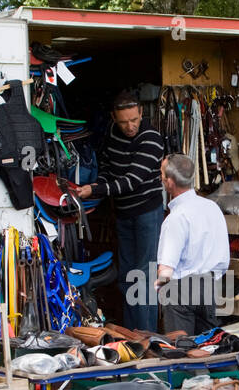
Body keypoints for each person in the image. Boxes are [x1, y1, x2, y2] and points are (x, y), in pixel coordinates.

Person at [76, 91, 165, 332]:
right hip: (124, 213)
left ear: (141, 113)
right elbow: (107, 169)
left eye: (134, 120)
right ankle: (130, 333)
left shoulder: (151, 139)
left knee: (144, 277)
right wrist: (96, 185)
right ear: (114, 118)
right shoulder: (113, 135)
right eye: (124, 121)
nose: (129, 126)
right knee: (127, 275)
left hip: (147, 211)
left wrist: (96, 191)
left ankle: (147, 336)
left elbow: (131, 181)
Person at [154, 153, 230, 335]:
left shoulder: (176, 218)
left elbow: (166, 270)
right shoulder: (212, 208)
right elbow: (223, 261)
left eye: (162, 176)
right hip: (209, 286)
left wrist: (160, 291)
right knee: (206, 349)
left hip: (180, 291)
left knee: (182, 352)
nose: (162, 179)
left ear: (170, 182)